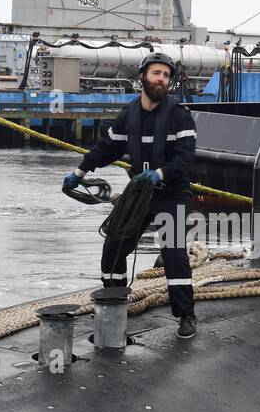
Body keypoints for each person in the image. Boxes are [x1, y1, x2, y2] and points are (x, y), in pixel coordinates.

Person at [65, 52, 199, 339]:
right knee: (114, 248)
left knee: (174, 254)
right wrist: (78, 173)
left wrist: (160, 174)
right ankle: (114, 309)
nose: (161, 79)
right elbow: (105, 149)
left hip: (172, 193)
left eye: (165, 75)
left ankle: (186, 315)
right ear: (142, 77)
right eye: (156, 73)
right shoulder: (129, 115)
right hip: (139, 193)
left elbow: (186, 157)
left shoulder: (180, 116)